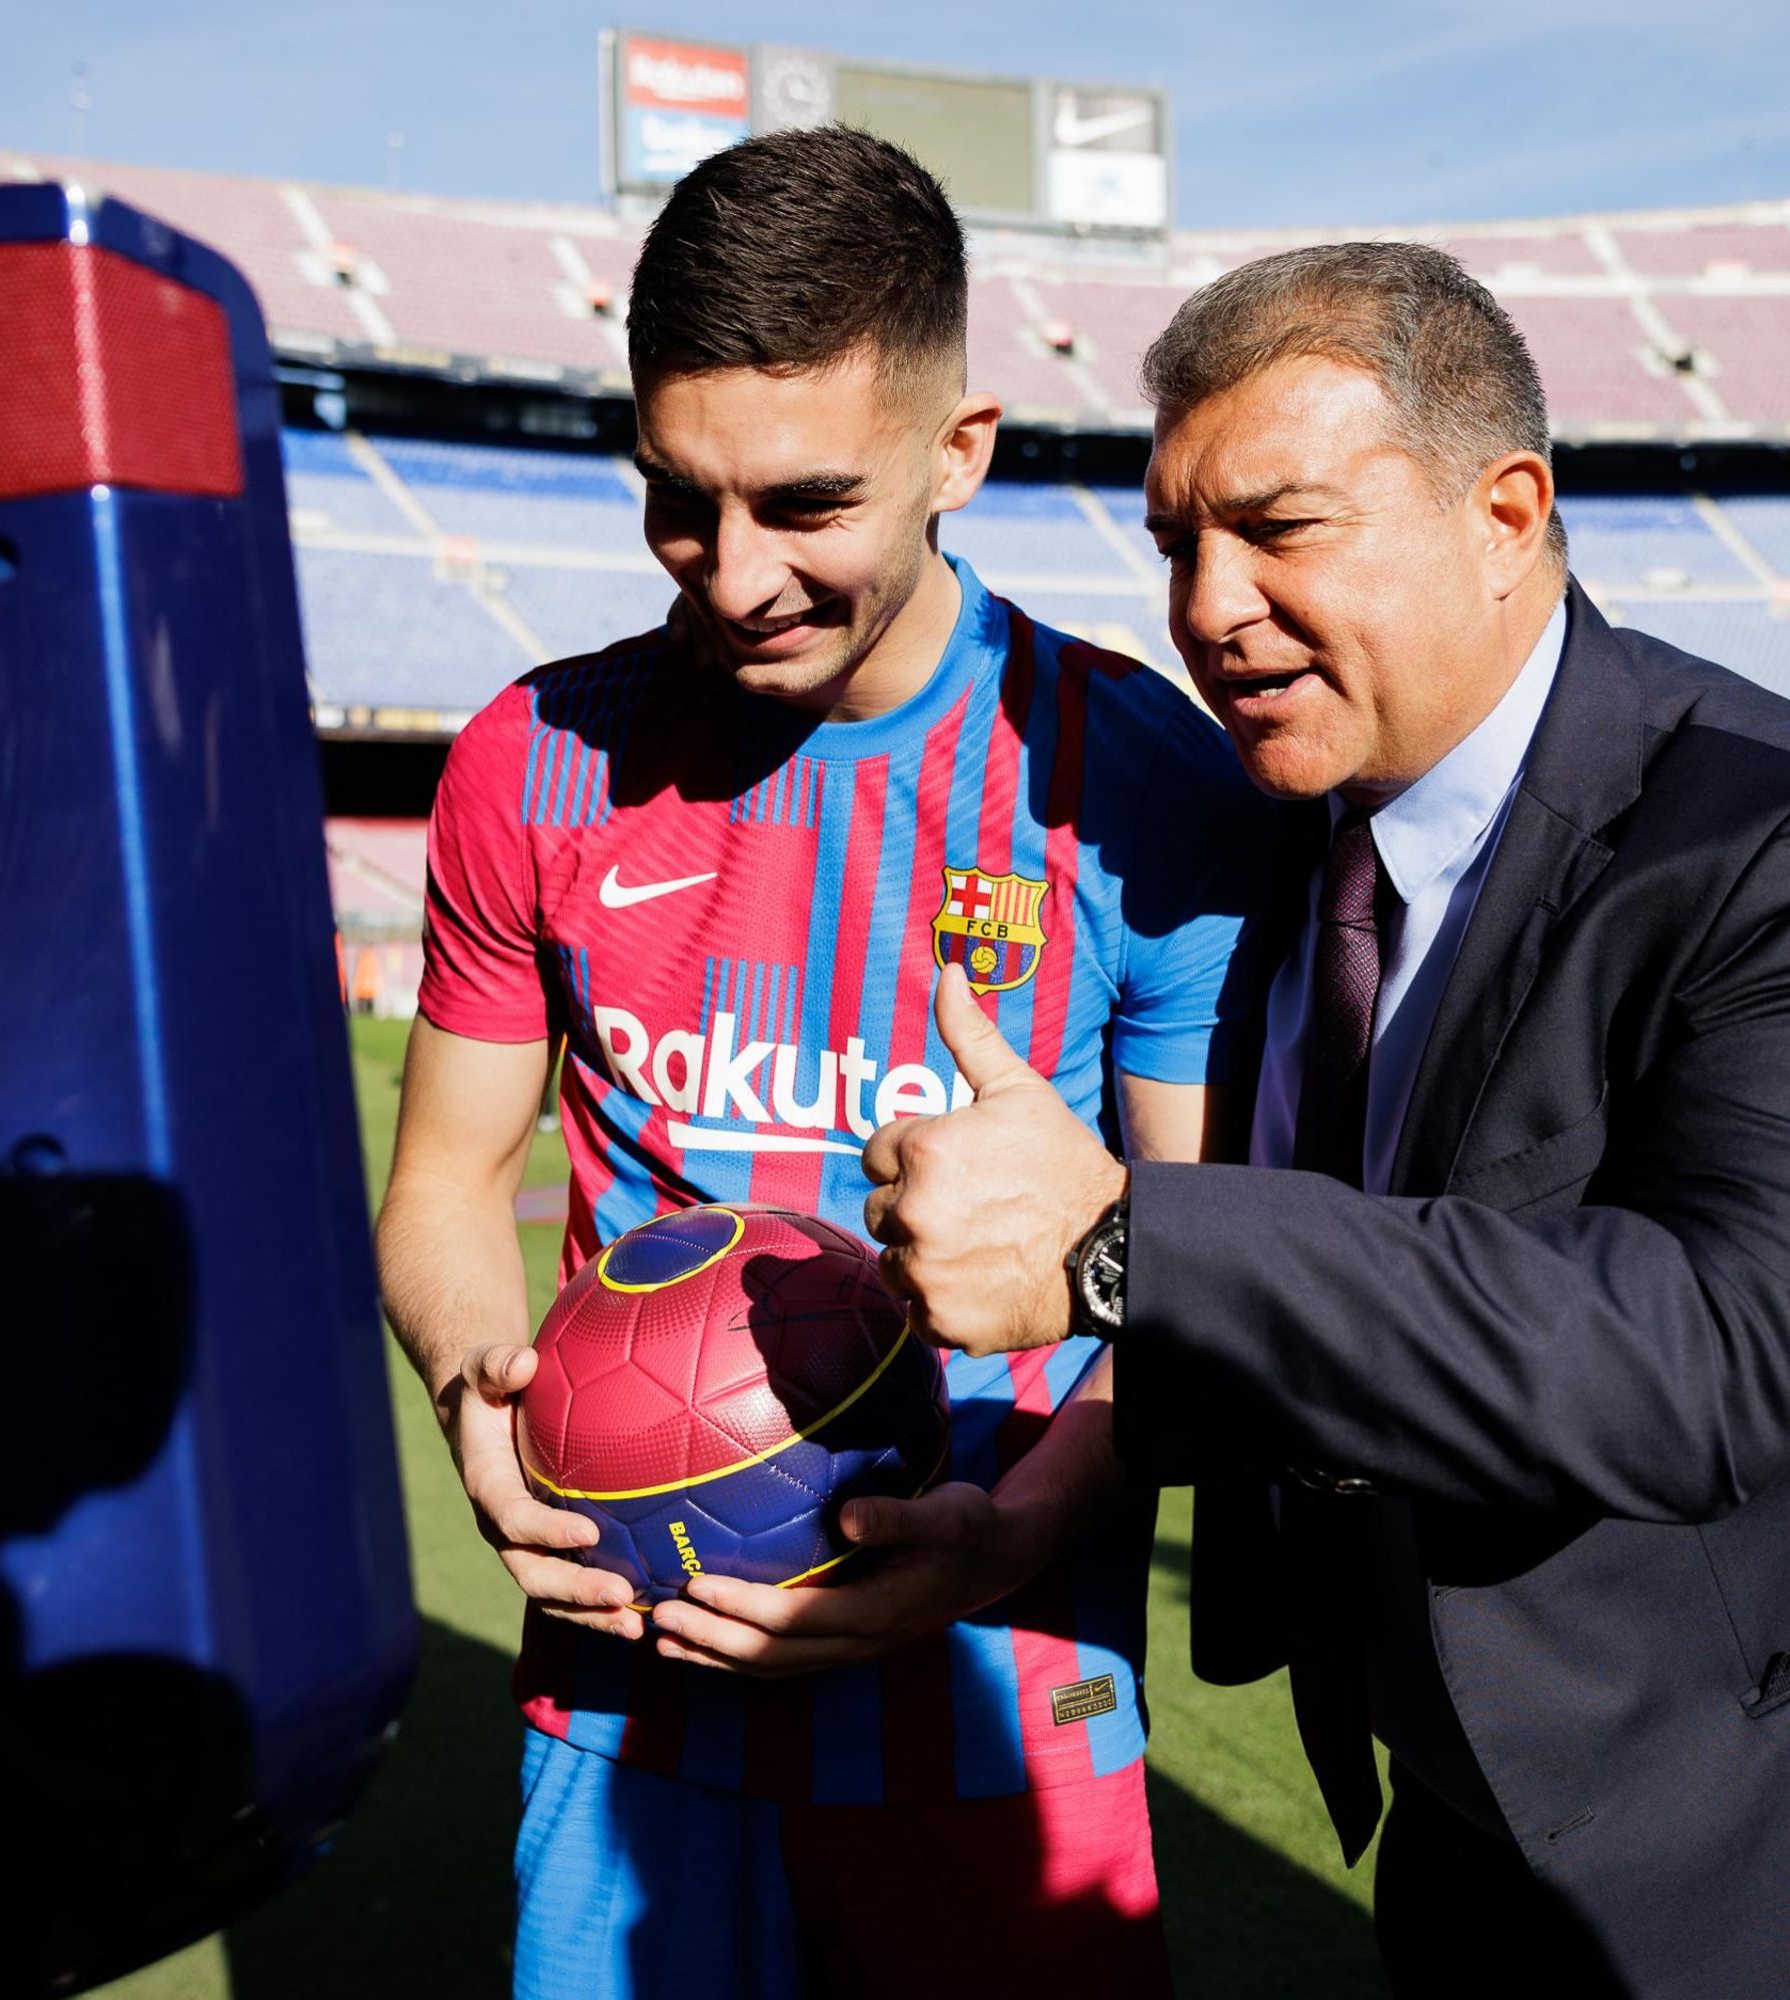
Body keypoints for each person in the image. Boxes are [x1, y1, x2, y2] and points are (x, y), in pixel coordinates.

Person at [860, 243, 1790, 1998]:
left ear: (1505, 515)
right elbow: (1342, 1302)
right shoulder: (1288, 842)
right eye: (1177, 543)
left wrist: (1126, 1241)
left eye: (1279, 527)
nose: (1208, 604)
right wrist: (1027, 1508)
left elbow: (1712, 1353)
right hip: (1468, 1824)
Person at [376, 128, 1269, 1999]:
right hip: (626, 1708)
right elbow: (448, 1182)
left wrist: (1010, 1530)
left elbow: (1200, 1278)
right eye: (678, 501)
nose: (735, 574)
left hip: (997, 1700)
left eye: (804, 504)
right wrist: (475, 1392)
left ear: (962, 450)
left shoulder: (1143, 786)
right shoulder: (532, 761)